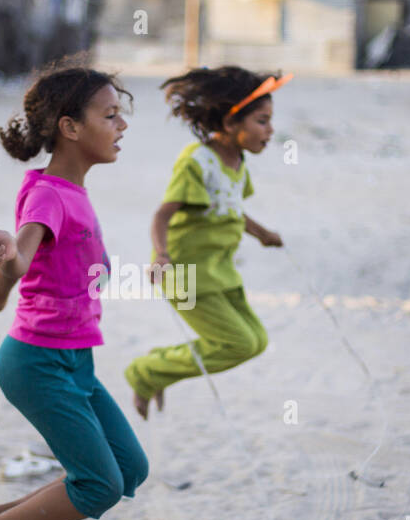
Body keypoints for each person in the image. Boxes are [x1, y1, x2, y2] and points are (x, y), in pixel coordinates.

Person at [0, 64, 148, 520]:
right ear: (69, 127)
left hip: (75, 362)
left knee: (130, 468)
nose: (121, 126)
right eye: (109, 116)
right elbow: (21, 252)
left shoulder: (70, 191)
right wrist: (3, 267)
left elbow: (26, 268)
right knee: (99, 484)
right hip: (37, 364)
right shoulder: (47, 197)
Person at [123, 66, 287, 420]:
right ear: (230, 124)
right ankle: (147, 371)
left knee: (256, 341)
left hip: (218, 271)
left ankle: (158, 369)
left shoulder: (236, 161)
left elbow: (230, 209)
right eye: (262, 121)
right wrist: (161, 257)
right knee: (238, 344)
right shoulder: (197, 161)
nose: (270, 131)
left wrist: (262, 234)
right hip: (184, 273)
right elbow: (162, 215)